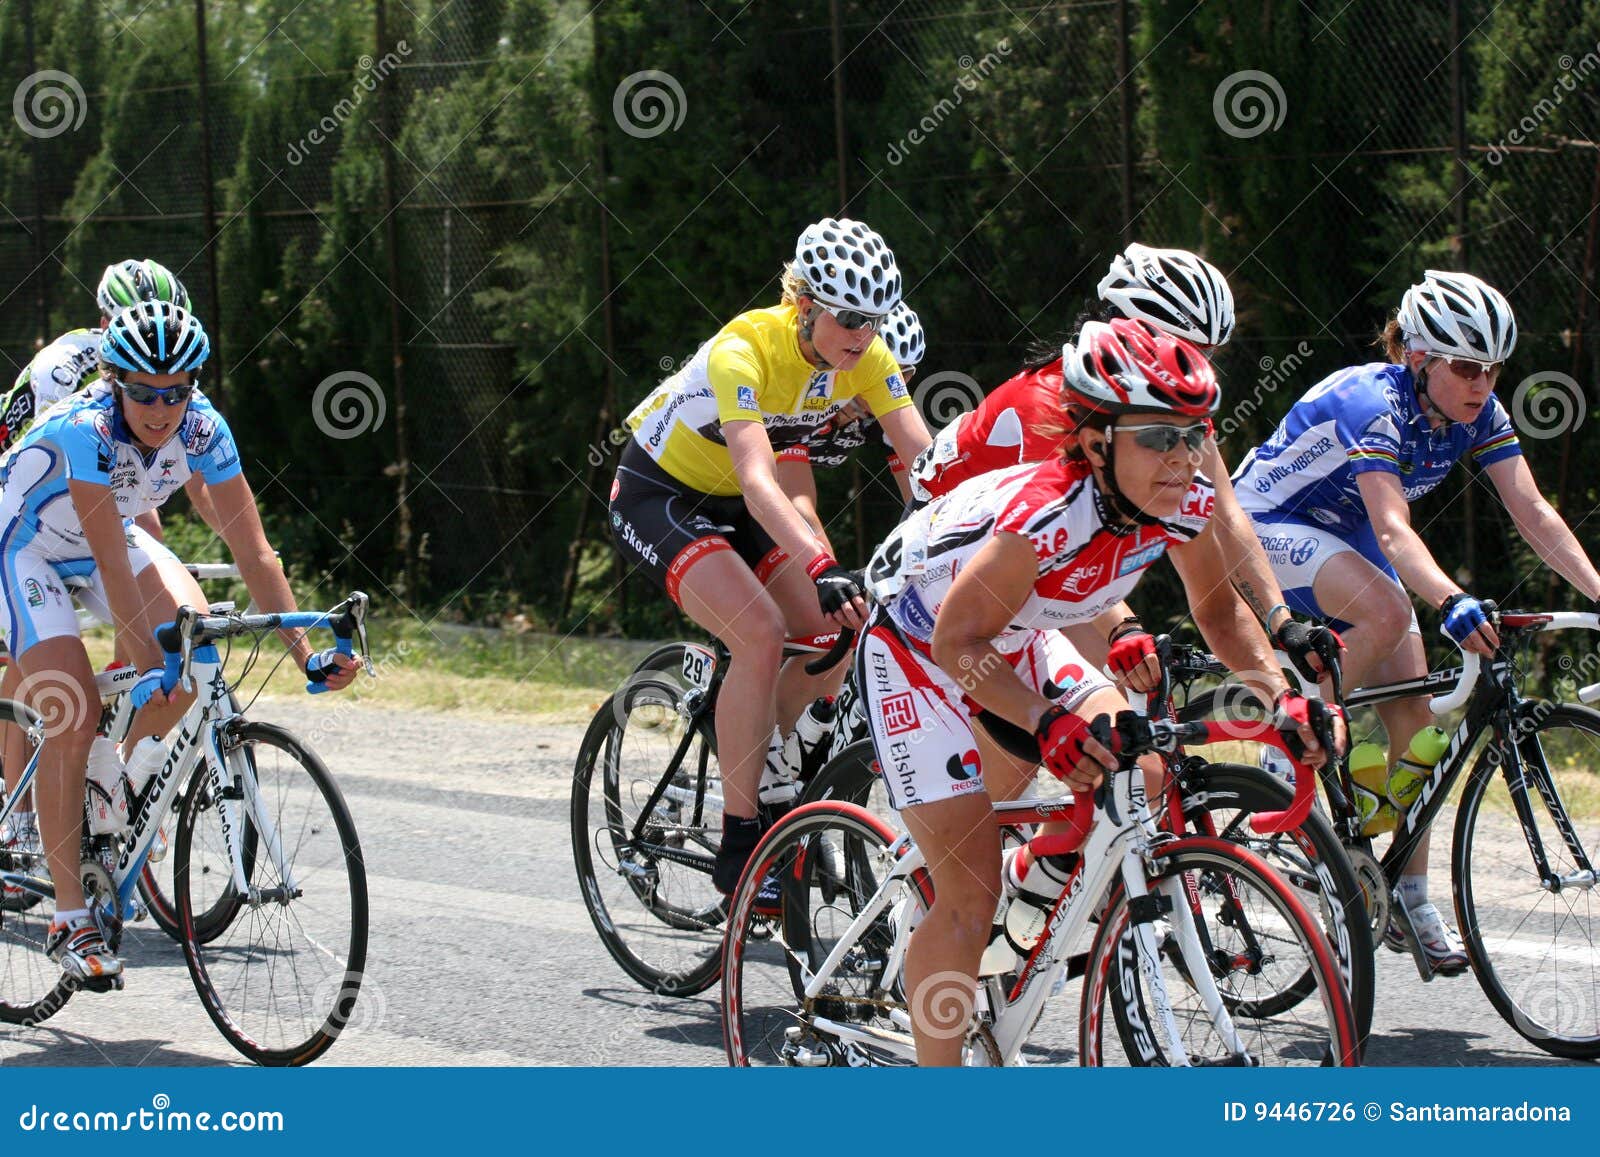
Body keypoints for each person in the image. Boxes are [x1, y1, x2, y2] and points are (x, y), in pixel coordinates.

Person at [859, 317, 1341, 1065]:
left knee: (1143, 768)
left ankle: (1033, 878)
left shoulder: (1180, 500)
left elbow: (1218, 610)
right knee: (967, 893)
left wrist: (1280, 699)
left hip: (1017, 630)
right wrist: (1044, 721)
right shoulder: (1050, 514)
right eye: (1156, 437)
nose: (1182, 458)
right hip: (918, 646)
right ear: (1094, 443)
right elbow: (957, 645)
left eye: (1194, 434)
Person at [1233, 269, 1600, 975]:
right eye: (1466, 366)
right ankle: (1291, 738)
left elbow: (1535, 515)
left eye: (1493, 368)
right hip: (1264, 527)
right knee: (1392, 607)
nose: (1482, 383)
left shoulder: (1478, 414)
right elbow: (1395, 532)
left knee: (1415, 716)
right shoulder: (1375, 402)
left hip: (1343, 537)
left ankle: (1411, 893)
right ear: (1419, 358)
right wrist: (1449, 600)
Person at [0, 301, 360, 987]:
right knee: (72, 707)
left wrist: (305, 656)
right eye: (143, 391)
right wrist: (143, 668)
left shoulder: (203, 429)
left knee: (196, 655)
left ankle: (112, 789)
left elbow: (254, 553)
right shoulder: (88, 432)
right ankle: (69, 915)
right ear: (116, 383)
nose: (160, 408)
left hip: (98, 542)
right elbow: (110, 564)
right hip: (24, 545)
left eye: (176, 390)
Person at [611, 218, 931, 893]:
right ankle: (741, 835)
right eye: (849, 318)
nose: (864, 336)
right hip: (662, 494)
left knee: (830, 633)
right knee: (759, 631)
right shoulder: (744, 347)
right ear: (805, 303)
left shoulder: (867, 359)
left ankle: (781, 775)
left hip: (739, 506)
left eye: (875, 321)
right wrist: (821, 565)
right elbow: (762, 483)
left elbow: (928, 463)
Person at [0, 259, 213, 887]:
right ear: (103, 325)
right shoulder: (62, 371)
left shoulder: (159, 381)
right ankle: (16, 821)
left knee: (159, 609)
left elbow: (137, 496)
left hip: (91, 506)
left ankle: (113, 788)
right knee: (34, 663)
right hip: (23, 508)